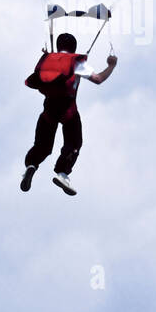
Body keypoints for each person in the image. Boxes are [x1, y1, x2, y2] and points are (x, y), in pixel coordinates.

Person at [21, 32, 117, 195]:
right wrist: (111, 66)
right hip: (68, 111)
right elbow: (98, 79)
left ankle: (31, 166)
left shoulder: (47, 58)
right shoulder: (76, 62)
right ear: (73, 48)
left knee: (42, 146)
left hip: (49, 110)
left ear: (59, 46)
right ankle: (62, 173)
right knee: (73, 144)